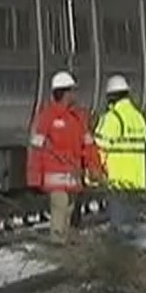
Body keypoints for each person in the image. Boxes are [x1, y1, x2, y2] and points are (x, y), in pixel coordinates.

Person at [27, 70, 104, 244]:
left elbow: (88, 146)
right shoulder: (47, 117)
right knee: (59, 210)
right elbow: (37, 148)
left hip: (73, 177)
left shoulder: (78, 118)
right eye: (71, 91)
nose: (74, 95)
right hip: (56, 179)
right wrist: (34, 178)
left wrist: (94, 168)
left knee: (69, 212)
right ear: (64, 93)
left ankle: (65, 245)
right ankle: (57, 244)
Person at [94, 74, 146, 238]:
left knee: (119, 230)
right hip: (137, 183)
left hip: (118, 184)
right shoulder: (139, 118)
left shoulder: (111, 118)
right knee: (132, 229)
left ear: (110, 97)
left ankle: (121, 260)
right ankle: (132, 260)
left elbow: (100, 149)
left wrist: (94, 177)